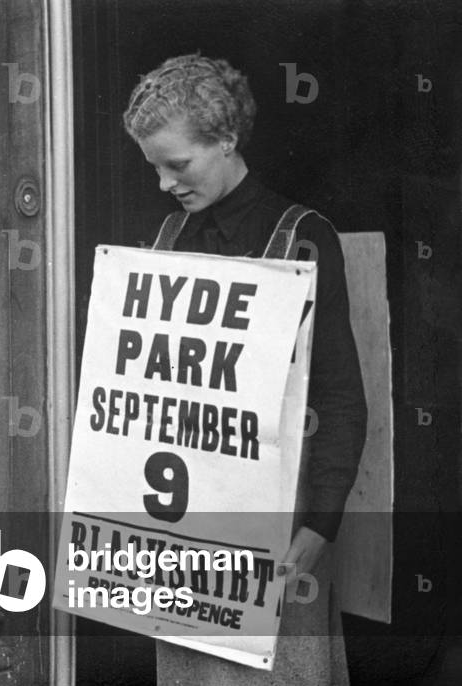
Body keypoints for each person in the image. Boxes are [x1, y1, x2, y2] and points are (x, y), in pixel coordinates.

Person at [122, 54, 368, 684]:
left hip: (280, 521)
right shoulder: (165, 242)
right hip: (183, 523)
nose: (164, 184)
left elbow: (339, 394)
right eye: (154, 167)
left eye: (177, 164)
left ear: (226, 140)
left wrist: (321, 524)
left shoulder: (305, 237)